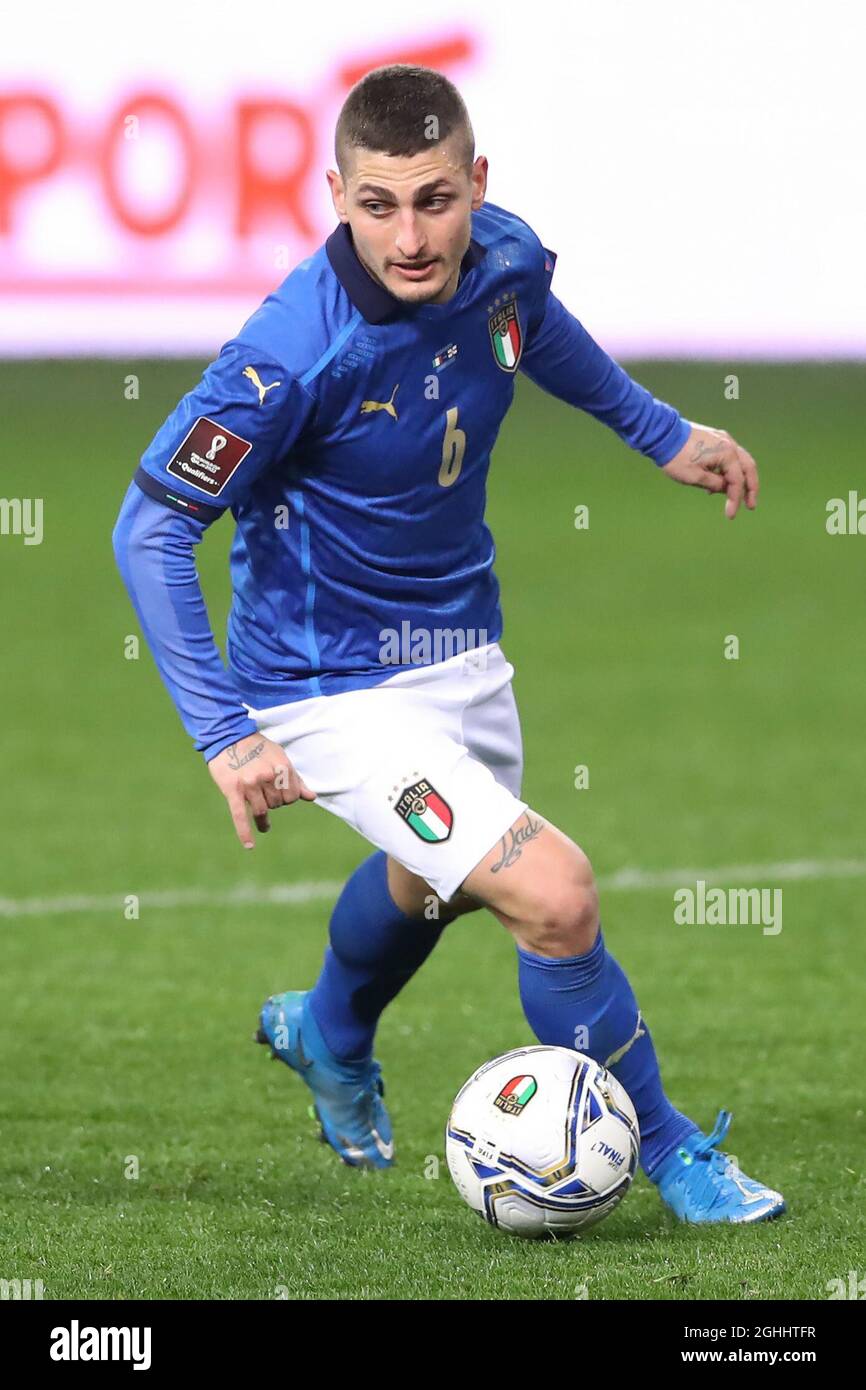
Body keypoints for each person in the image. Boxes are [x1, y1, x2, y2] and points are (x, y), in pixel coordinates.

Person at [113, 63, 784, 1223]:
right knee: (553, 895)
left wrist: (659, 431)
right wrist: (228, 735)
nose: (410, 235)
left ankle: (326, 1028)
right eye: (376, 205)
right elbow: (151, 524)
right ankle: (670, 1151)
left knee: (435, 884)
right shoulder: (288, 352)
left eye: (433, 198)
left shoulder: (503, 254)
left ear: (478, 183)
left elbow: (528, 328)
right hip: (324, 685)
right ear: (333, 194)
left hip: (464, 651)